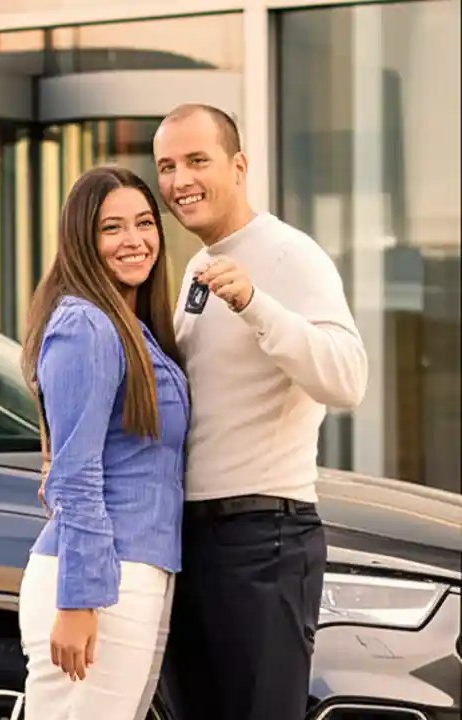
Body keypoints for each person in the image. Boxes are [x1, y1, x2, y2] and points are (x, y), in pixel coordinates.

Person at [152, 103, 369, 720]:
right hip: (194, 538)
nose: (179, 180)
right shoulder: (197, 264)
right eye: (167, 166)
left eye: (197, 160)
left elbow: (347, 377)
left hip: (263, 538)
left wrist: (255, 303)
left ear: (239, 165)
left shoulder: (289, 255)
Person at [19, 165, 189, 720]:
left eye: (144, 222)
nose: (134, 240)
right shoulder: (85, 326)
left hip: (138, 570)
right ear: (83, 241)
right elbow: (74, 473)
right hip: (101, 579)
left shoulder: (134, 328)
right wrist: (79, 600)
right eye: (112, 228)